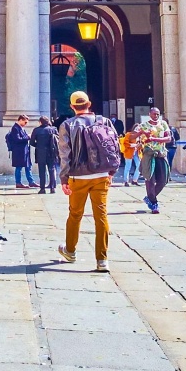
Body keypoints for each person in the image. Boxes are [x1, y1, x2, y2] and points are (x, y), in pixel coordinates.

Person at [57, 90, 118, 272]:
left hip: (78, 176)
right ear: (89, 104)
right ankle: (102, 260)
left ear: (72, 106)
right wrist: (111, 171)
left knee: (75, 215)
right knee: (101, 216)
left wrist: (64, 178)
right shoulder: (104, 121)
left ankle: (70, 250)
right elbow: (113, 146)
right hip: (101, 175)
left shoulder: (67, 125)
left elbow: (65, 155)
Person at [137, 108, 171, 213]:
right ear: (149, 114)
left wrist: (155, 139)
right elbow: (140, 139)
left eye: (158, 114)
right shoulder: (143, 125)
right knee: (150, 180)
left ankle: (150, 197)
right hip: (148, 154)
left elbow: (168, 138)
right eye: (154, 114)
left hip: (161, 154)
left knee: (163, 180)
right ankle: (154, 203)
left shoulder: (163, 124)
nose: (156, 116)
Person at [30, 116, 60, 194]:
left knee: (42, 171)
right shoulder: (53, 129)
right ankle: (52, 188)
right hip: (51, 152)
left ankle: (42, 188)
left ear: (40, 122)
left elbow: (32, 142)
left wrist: (39, 145)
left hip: (40, 152)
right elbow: (57, 141)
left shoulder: (36, 130)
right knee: (52, 169)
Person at [6, 117, 34, 188]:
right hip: (19, 151)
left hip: (24, 151)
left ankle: (31, 181)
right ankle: (18, 183)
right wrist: (28, 137)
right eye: (25, 122)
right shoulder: (15, 128)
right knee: (19, 167)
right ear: (20, 120)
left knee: (28, 166)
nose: (26, 124)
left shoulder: (20, 128)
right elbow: (17, 139)